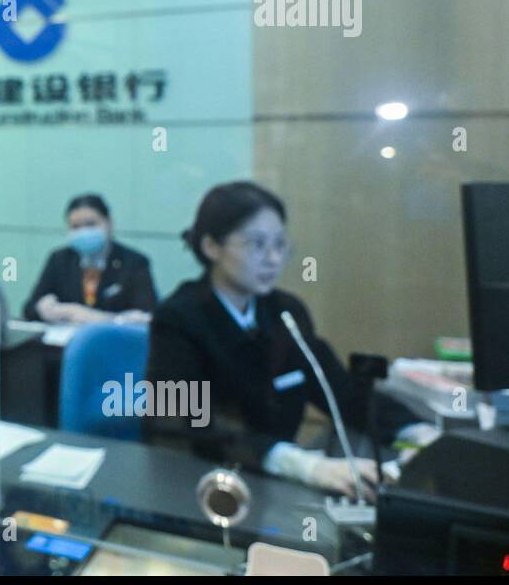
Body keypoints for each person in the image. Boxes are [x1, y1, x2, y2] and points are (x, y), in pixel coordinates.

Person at [145, 181, 436, 502]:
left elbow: (342, 392)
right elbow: (179, 422)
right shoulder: (178, 318)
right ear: (212, 246)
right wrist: (303, 465)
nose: (273, 259)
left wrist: (416, 433)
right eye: (257, 244)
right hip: (206, 487)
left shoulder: (285, 312)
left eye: (280, 245)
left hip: (274, 487)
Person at [23, 194, 157, 325]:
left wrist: (93, 316)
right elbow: (29, 309)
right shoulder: (60, 259)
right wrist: (43, 309)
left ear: (109, 223)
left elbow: (147, 315)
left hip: (114, 341)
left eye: (90, 224)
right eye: (75, 227)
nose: (83, 232)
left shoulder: (134, 262)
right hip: (65, 342)